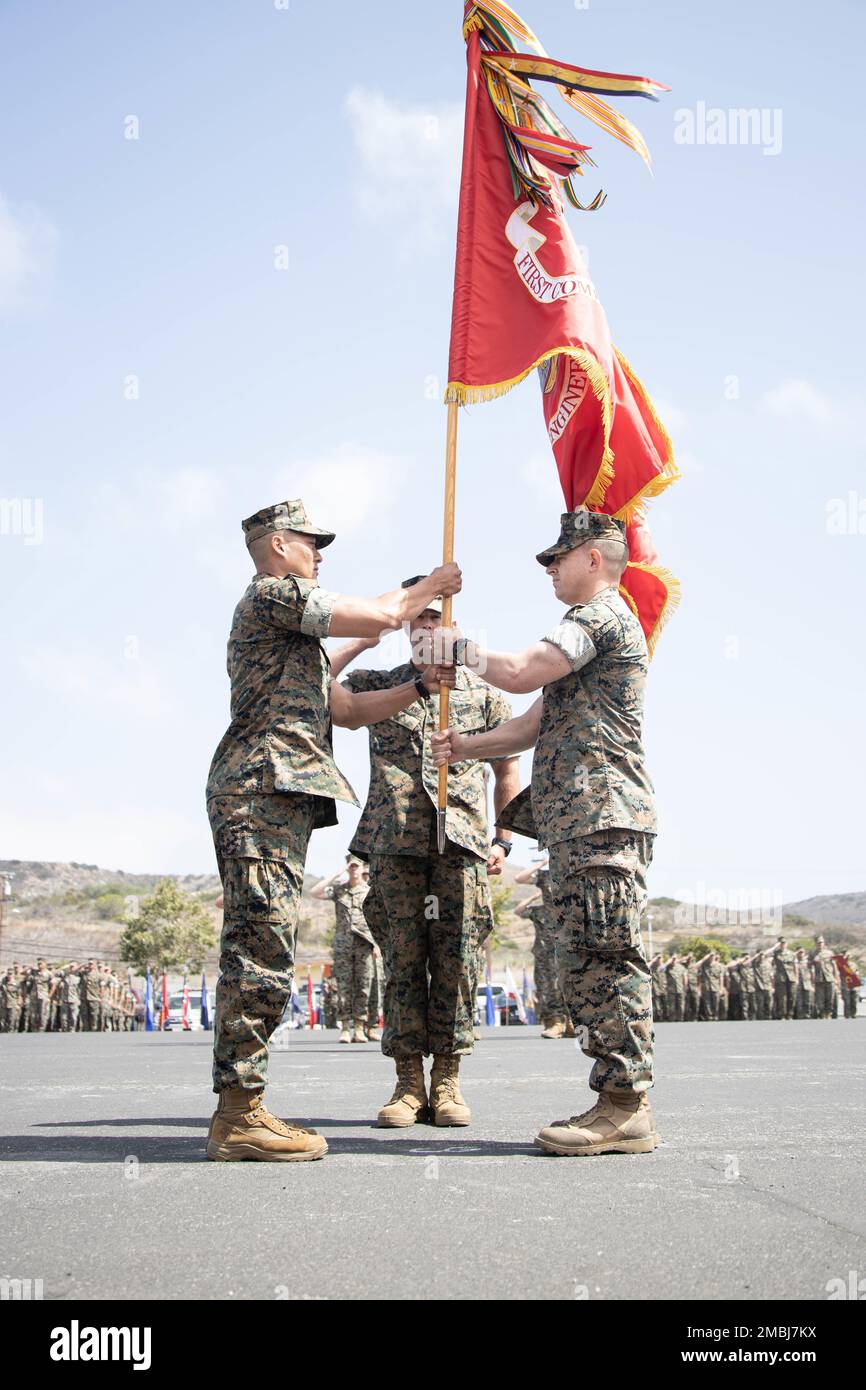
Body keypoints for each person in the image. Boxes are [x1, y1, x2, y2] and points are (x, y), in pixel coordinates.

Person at [205, 498, 460, 1162]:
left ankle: (246, 1107)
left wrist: (417, 689)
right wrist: (428, 588)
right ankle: (238, 1115)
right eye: (312, 544)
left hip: (278, 793)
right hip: (260, 789)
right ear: (280, 544)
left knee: (269, 944)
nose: (320, 556)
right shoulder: (272, 595)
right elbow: (381, 615)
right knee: (258, 947)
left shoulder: (296, 633)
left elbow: (344, 710)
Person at [432, 509, 659, 1156]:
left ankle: (626, 1105)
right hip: (578, 823)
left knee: (609, 957)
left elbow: (519, 672)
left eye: (558, 558)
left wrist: (460, 649)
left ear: (593, 557)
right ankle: (614, 1099)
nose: (550, 569)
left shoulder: (600, 617)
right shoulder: (584, 634)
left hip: (602, 817)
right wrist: (464, 747)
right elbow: (531, 722)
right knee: (585, 959)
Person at [330, 577, 520, 1128]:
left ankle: (449, 1080)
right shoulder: (378, 684)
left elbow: (507, 766)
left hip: (460, 845)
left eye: (438, 616)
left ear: (455, 625)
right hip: (394, 844)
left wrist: (503, 838)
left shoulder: (484, 695)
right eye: (419, 617)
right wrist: (371, 630)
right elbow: (324, 686)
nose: (428, 625)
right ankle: (408, 1082)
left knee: (458, 960)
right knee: (403, 963)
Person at [312, 857, 375, 1044]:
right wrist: (337, 873)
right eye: (351, 867)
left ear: (363, 868)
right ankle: (345, 1027)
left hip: (364, 944)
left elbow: (381, 918)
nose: (354, 870)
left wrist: (378, 944)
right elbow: (315, 892)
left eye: (357, 866)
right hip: (343, 945)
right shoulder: (340, 890)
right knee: (343, 987)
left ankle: (359, 1027)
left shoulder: (370, 891)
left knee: (363, 986)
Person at [514, 860, 572, 1039]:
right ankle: (555, 1023)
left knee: (572, 984)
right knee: (547, 987)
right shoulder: (541, 907)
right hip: (545, 954)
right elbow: (519, 878)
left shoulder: (573, 872)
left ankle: (572, 1022)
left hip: (570, 950)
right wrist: (542, 863)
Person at [771, 936, 797, 1020]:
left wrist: (796, 978)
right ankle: (782, 1014)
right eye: (781, 943)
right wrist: (775, 946)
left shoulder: (792, 954)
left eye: (784, 943)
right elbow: (767, 954)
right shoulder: (775, 953)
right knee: (782, 998)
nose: (783, 944)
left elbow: (795, 966)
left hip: (791, 977)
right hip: (781, 978)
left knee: (792, 996)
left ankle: (790, 1014)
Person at [811, 936, 837, 1019]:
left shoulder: (829, 953)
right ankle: (822, 1013)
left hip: (829, 978)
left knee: (830, 997)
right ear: (816, 944)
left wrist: (836, 978)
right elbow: (808, 965)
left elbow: (834, 966)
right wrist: (813, 961)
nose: (820, 944)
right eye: (818, 943)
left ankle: (828, 1013)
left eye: (821, 942)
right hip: (819, 979)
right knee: (820, 999)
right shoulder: (812, 953)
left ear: (824, 943)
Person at [664, 954, 687, 1023]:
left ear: (677, 959)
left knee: (681, 1005)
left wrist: (685, 987)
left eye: (675, 959)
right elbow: (661, 968)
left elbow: (685, 978)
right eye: (673, 959)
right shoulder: (667, 967)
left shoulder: (682, 967)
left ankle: (680, 1018)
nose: (674, 960)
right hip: (671, 990)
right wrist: (669, 961)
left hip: (680, 989)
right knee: (671, 1005)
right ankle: (672, 1019)